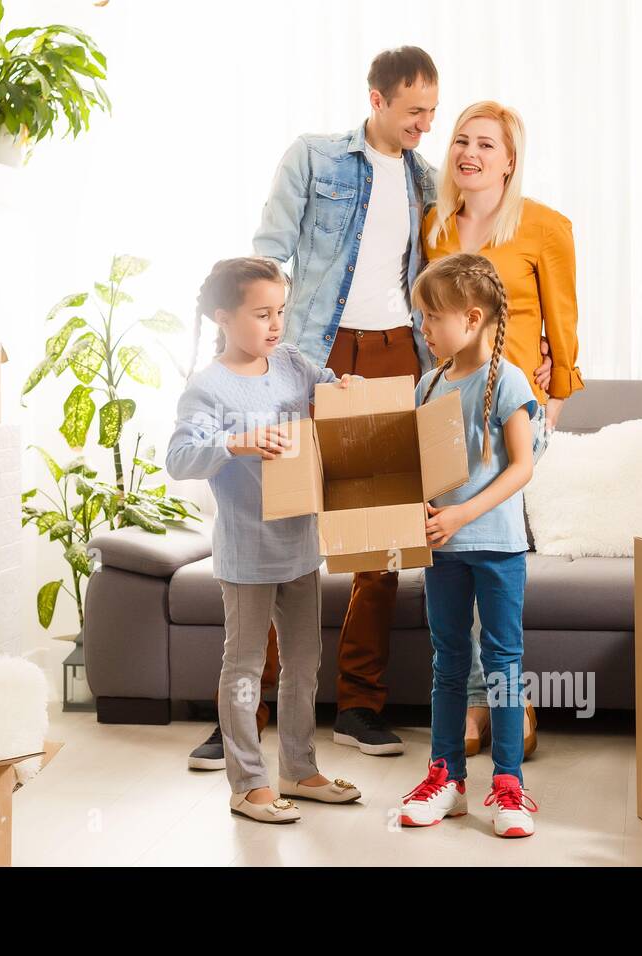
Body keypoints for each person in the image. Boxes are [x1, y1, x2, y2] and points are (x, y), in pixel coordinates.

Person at [183, 46, 443, 770]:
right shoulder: (315, 157)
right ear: (377, 99)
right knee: (277, 519)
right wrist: (251, 345)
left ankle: (359, 707)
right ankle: (246, 712)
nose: (426, 122)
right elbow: (268, 255)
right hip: (309, 353)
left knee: (378, 541)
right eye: (415, 108)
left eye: (433, 109)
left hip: (394, 354)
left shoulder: (428, 180)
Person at [167, 256, 363, 823]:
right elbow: (180, 458)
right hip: (247, 554)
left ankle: (298, 770)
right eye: (261, 314)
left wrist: (345, 388)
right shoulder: (207, 387)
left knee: (304, 665)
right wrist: (239, 443)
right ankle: (247, 783)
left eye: (280, 311)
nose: (275, 324)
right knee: (246, 667)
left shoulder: (293, 365)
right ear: (224, 318)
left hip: (300, 545)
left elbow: (329, 391)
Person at [421, 100, 583, 757]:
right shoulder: (435, 224)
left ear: (509, 160)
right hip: (453, 406)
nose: (471, 154)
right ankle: (481, 714)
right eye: (462, 140)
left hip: (514, 407)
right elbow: (432, 319)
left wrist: (552, 411)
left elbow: (563, 325)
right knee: (457, 564)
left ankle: (497, 715)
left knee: (491, 560)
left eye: (487, 145)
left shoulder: (546, 225)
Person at [398, 253, 540, 837]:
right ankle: (446, 778)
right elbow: (416, 468)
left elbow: (522, 467)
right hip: (444, 550)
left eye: (431, 318)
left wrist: (461, 514)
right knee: (449, 663)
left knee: (502, 665)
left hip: (497, 545)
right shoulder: (429, 383)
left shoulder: (507, 379)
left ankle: (509, 787)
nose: (424, 329)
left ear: (473, 317)